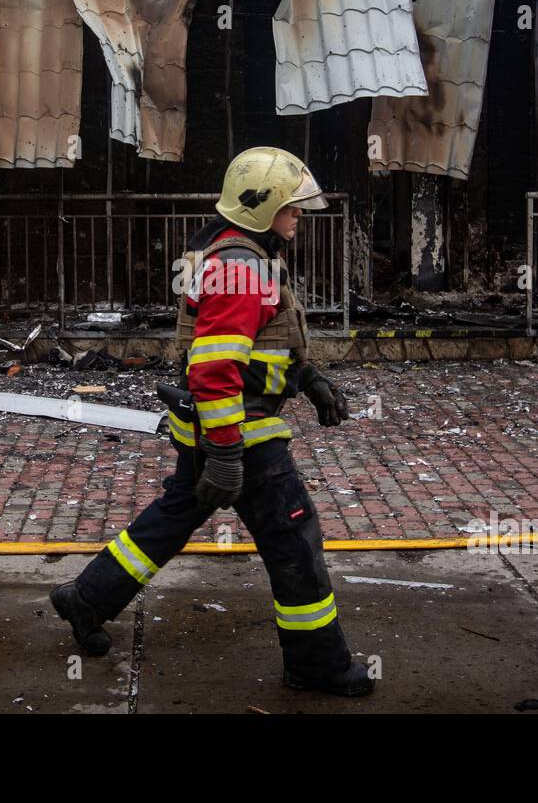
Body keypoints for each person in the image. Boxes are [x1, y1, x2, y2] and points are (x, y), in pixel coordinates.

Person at [51, 146, 371, 696]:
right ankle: (319, 667)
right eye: (291, 207)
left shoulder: (239, 253)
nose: (299, 216)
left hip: (217, 428)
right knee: (293, 541)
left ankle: (87, 598)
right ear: (261, 207)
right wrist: (225, 457)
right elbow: (216, 368)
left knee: (177, 514)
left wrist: (311, 379)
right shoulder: (242, 269)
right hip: (242, 435)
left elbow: (269, 336)